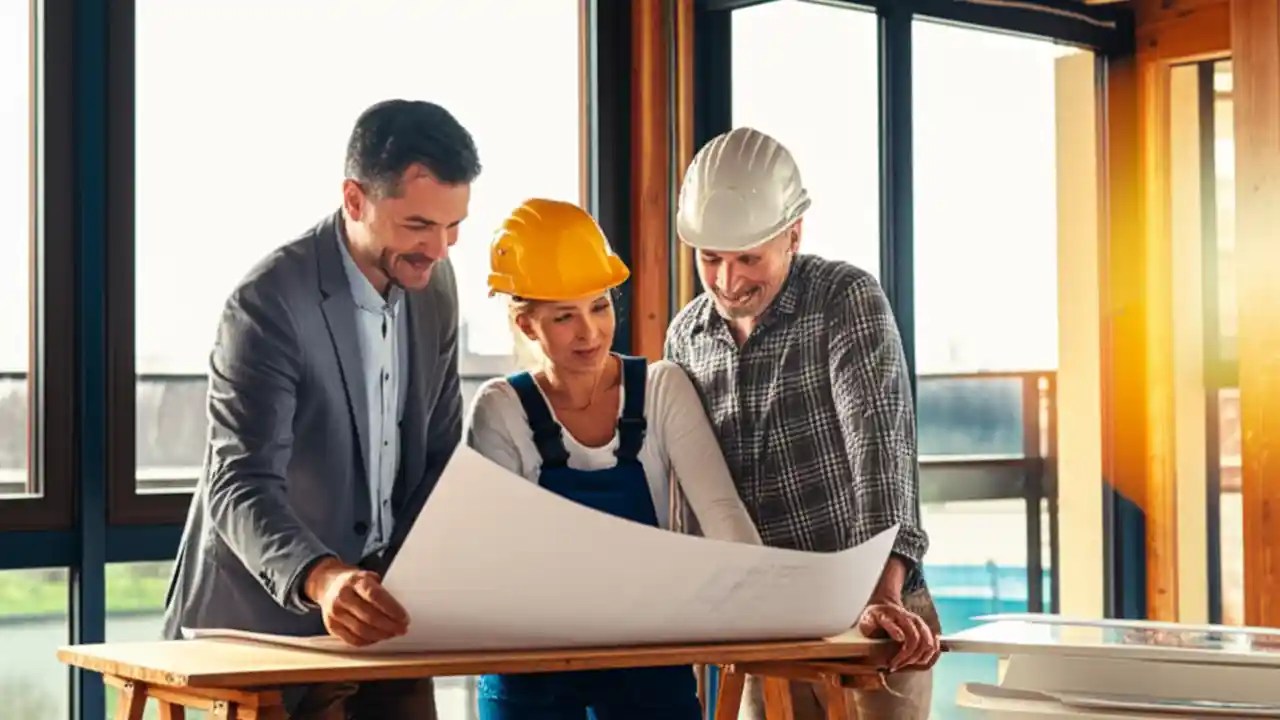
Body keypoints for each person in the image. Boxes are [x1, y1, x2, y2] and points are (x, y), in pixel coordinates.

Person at [161, 99, 481, 720]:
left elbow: (439, 458)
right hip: (268, 626)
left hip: (388, 621)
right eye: (418, 225)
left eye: (453, 226)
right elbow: (239, 485)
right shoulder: (269, 303)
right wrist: (325, 578)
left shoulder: (435, 288)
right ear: (355, 199)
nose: (438, 250)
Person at [663, 127, 943, 720]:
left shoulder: (844, 300)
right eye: (710, 259)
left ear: (793, 234)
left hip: (874, 620)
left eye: (748, 259)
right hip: (770, 628)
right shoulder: (687, 335)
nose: (728, 282)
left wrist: (880, 594)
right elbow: (692, 486)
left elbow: (880, 450)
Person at [466, 198, 763, 720]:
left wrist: (772, 603)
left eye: (599, 306)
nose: (590, 332)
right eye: (564, 317)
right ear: (527, 323)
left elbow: (724, 519)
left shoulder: (661, 389)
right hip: (532, 675)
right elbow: (493, 563)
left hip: (647, 670)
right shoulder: (499, 410)